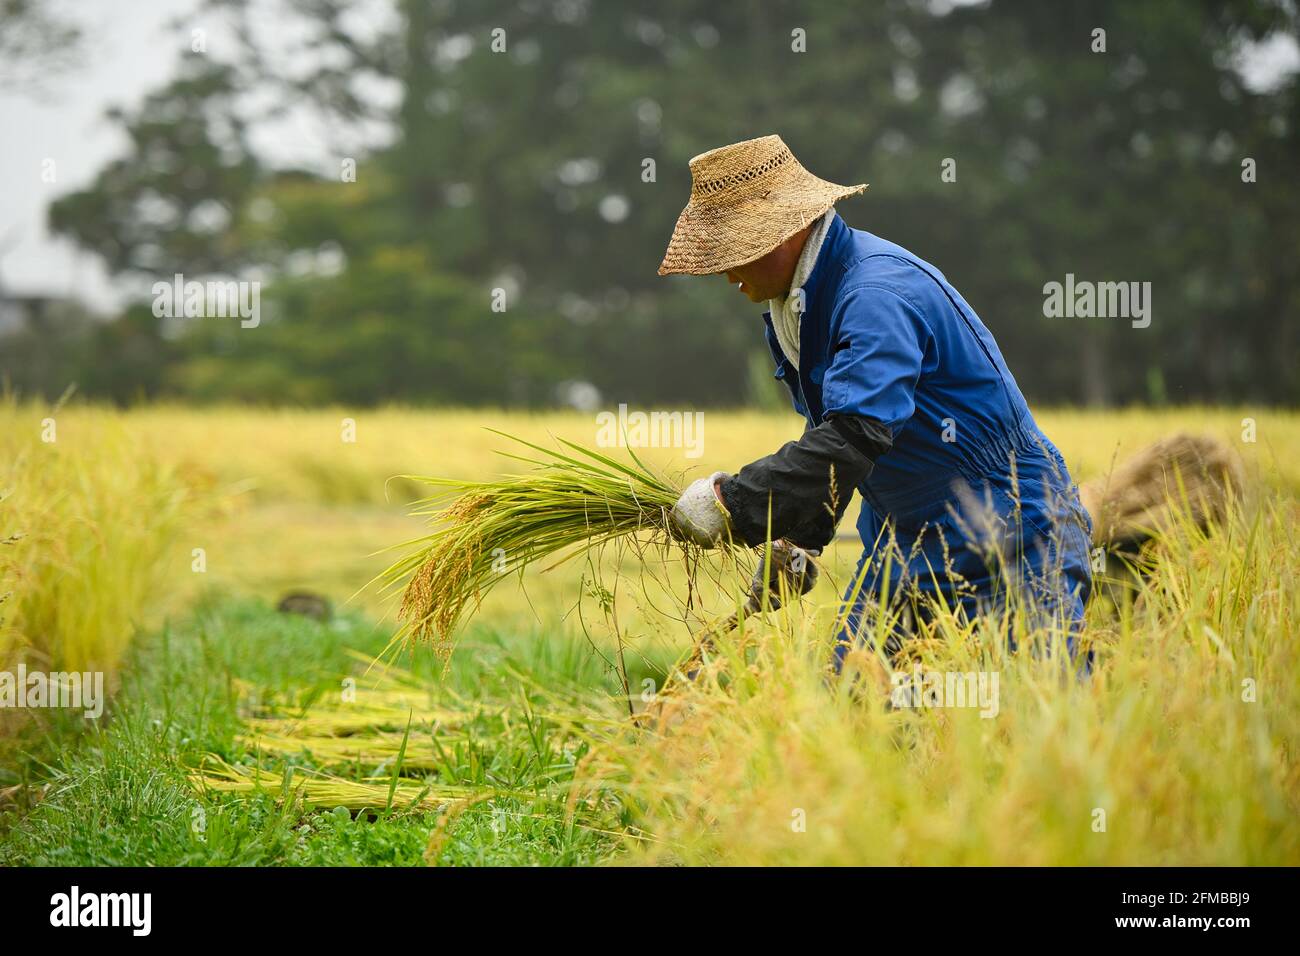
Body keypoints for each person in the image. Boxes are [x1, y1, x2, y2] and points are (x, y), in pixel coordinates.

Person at [659, 134, 1093, 667]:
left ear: (785, 232)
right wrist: (798, 541)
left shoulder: (873, 296)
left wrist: (735, 502)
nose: (726, 273)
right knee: (858, 716)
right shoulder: (794, 310)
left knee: (1033, 718)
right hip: (902, 540)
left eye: (733, 254)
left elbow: (855, 434)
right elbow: (837, 440)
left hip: (1010, 530)